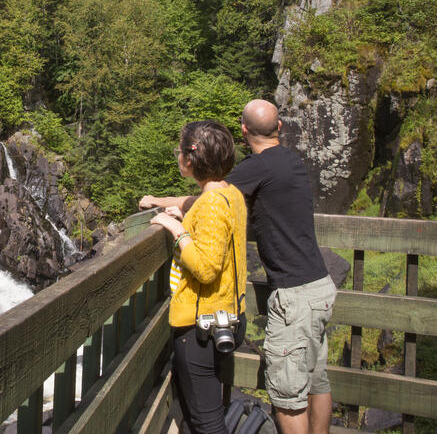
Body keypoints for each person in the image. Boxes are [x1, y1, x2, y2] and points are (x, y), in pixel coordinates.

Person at [140, 100, 337, 434]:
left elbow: (210, 210)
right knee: (317, 382)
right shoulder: (290, 160)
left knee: (288, 398)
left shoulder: (252, 172)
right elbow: (214, 200)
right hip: (319, 286)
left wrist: (172, 222)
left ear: (244, 131)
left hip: (291, 298)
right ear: (280, 127)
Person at [148, 120, 247, 434]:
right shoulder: (231, 194)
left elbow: (205, 267)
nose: (177, 155)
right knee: (200, 414)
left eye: (179, 151)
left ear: (189, 160)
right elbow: (215, 235)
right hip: (227, 315)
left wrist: (177, 230)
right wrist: (187, 218)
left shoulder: (211, 205)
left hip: (201, 326)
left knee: (207, 423)